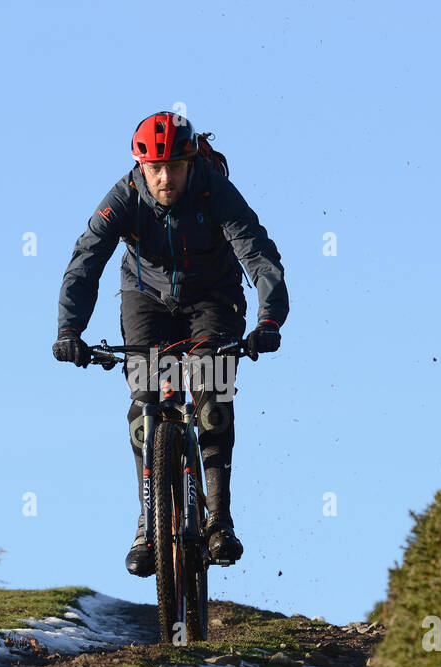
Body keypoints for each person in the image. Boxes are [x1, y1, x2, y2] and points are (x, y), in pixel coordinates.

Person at [52, 111, 289, 577]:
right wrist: (69, 331)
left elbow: (258, 253)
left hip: (213, 296)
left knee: (212, 389)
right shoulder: (122, 198)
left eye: (174, 167)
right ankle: (148, 523)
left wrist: (268, 319)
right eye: (154, 168)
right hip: (146, 299)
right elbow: (85, 261)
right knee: (146, 397)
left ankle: (219, 519)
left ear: (189, 162)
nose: (164, 178)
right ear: (140, 166)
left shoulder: (214, 190)